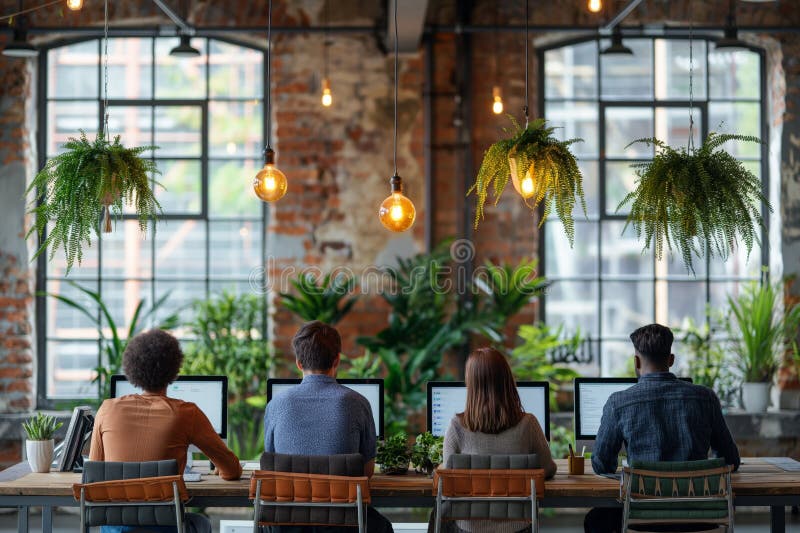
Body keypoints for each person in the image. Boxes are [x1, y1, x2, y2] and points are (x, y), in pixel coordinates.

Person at [584, 324, 741, 533]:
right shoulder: (706, 398)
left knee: (596, 520)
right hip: (700, 516)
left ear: (636, 361)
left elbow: (602, 465)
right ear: (671, 360)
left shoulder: (618, 402)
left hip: (640, 515)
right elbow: (731, 460)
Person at [90, 329, 242, 533]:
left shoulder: (107, 409)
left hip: (115, 529)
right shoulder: (186, 413)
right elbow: (232, 471)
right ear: (174, 370)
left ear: (131, 369)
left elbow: (95, 477)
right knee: (201, 523)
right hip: (166, 528)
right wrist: (218, 466)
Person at [263, 320, 393, 533]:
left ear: (298, 363)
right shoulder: (358, 403)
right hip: (345, 525)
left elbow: (274, 465)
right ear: (337, 360)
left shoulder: (276, 405)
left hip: (286, 526)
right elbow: (366, 472)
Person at [438, 347, 557, 533]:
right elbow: (548, 468)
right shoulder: (528, 424)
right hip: (519, 528)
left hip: (469, 528)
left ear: (471, 385)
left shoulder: (456, 426)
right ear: (507, 381)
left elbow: (448, 480)